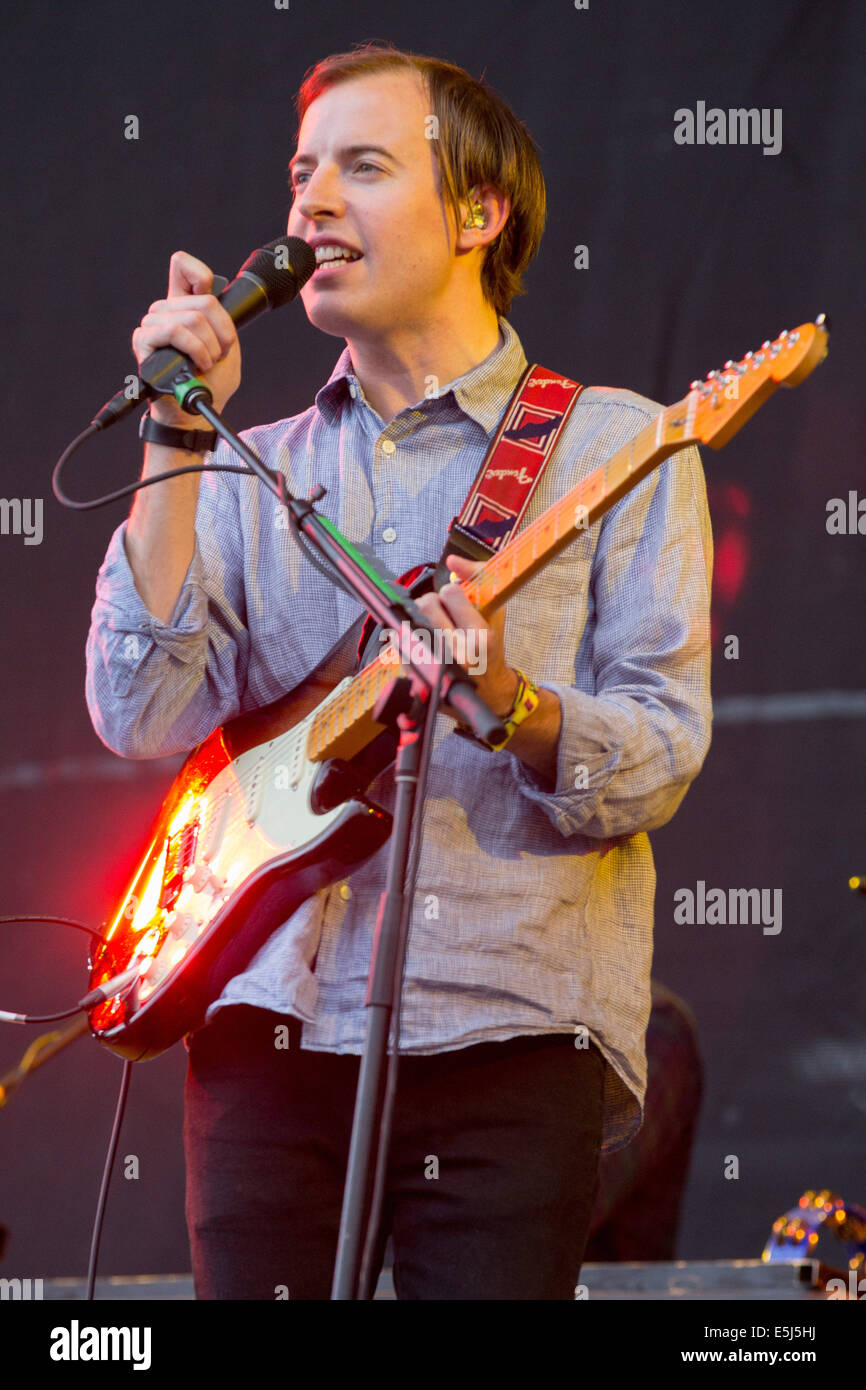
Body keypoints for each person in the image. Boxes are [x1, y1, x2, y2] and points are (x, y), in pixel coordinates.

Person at [85, 43, 713, 1300]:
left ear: (478, 213)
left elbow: (655, 755)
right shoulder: (240, 464)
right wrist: (172, 430)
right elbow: (137, 712)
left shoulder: (620, 446)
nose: (308, 203)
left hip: (509, 1031)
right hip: (267, 1022)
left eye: (360, 168)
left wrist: (518, 708)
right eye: (300, 172)